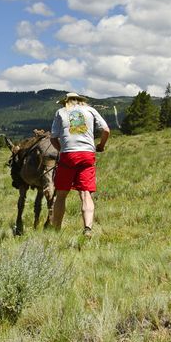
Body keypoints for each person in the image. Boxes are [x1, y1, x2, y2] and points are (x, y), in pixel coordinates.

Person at [50, 92, 110, 236]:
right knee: (85, 193)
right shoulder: (90, 110)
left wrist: (62, 150)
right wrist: (101, 145)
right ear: (80, 101)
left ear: (66, 102)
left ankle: (56, 231)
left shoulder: (61, 112)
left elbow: (53, 138)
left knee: (61, 194)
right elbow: (106, 130)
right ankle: (87, 228)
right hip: (87, 154)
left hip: (68, 155)